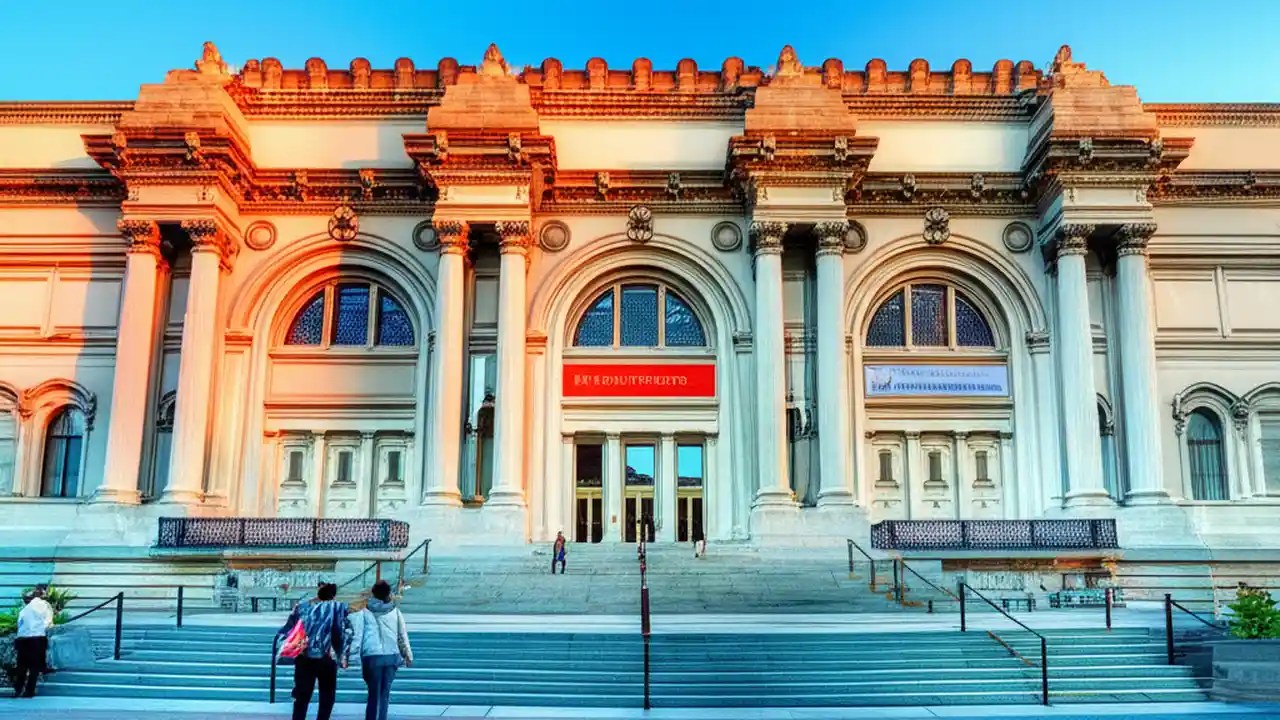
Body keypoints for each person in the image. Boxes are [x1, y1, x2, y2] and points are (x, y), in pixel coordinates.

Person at [278, 582, 349, 720]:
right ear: (333, 596)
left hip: (304, 657)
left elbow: (288, 630)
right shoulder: (337, 608)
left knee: (302, 697)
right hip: (327, 658)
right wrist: (342, 656)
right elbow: (340, 633)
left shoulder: (302, 608)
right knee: (327, 696)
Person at [346, 580, 412, 720]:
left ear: (373, 594)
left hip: (371, 657)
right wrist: (407, 655)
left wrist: (349, 656)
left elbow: (358, 636)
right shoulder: (395, 611)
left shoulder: (364, 612)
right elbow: (402, 635)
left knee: (373, 693)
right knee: (385, 693)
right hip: (391, 656)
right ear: (388, 593)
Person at [14, 585, 54, 698]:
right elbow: (49, 623)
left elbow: (19, 622)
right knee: (34, 667)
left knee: (21, 666)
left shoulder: (26, 608)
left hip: (23, 638)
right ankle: (29, 691)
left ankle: (18, 689)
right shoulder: (46, 606)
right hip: (37, 638)